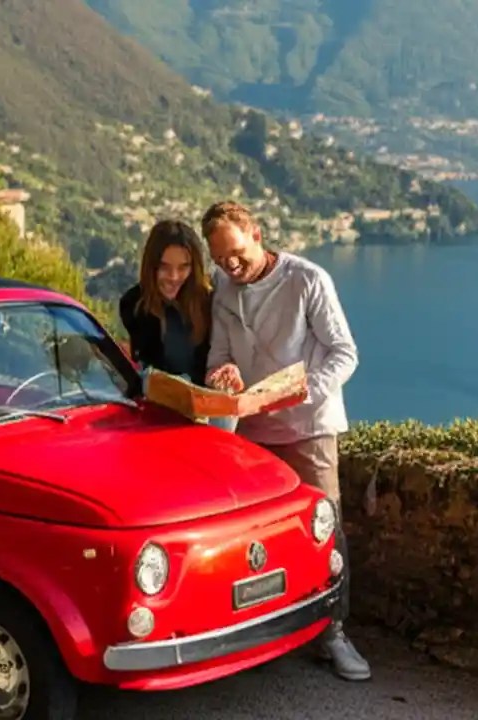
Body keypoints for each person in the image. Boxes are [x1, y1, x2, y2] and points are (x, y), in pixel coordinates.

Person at [200, 200, 370, 682]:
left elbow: (345, 354)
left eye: (235, 253)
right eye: (219, 260)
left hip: (309, 429)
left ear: (255, 233)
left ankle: (334, 634)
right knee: (261, 542)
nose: (229, 265)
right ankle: (270, 632)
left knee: (325, 531)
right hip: (252, 435)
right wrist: (222, 373)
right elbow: (218, 355)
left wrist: (297, 392)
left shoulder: (307, 279)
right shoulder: (224, 293)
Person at [118, 220, 236, 431]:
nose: (173, 277)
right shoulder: (133, 305)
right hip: (160, 412)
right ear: (151, 266)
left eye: (183, 267)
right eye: (164, 267)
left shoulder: (210, 302)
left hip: (210, 410)